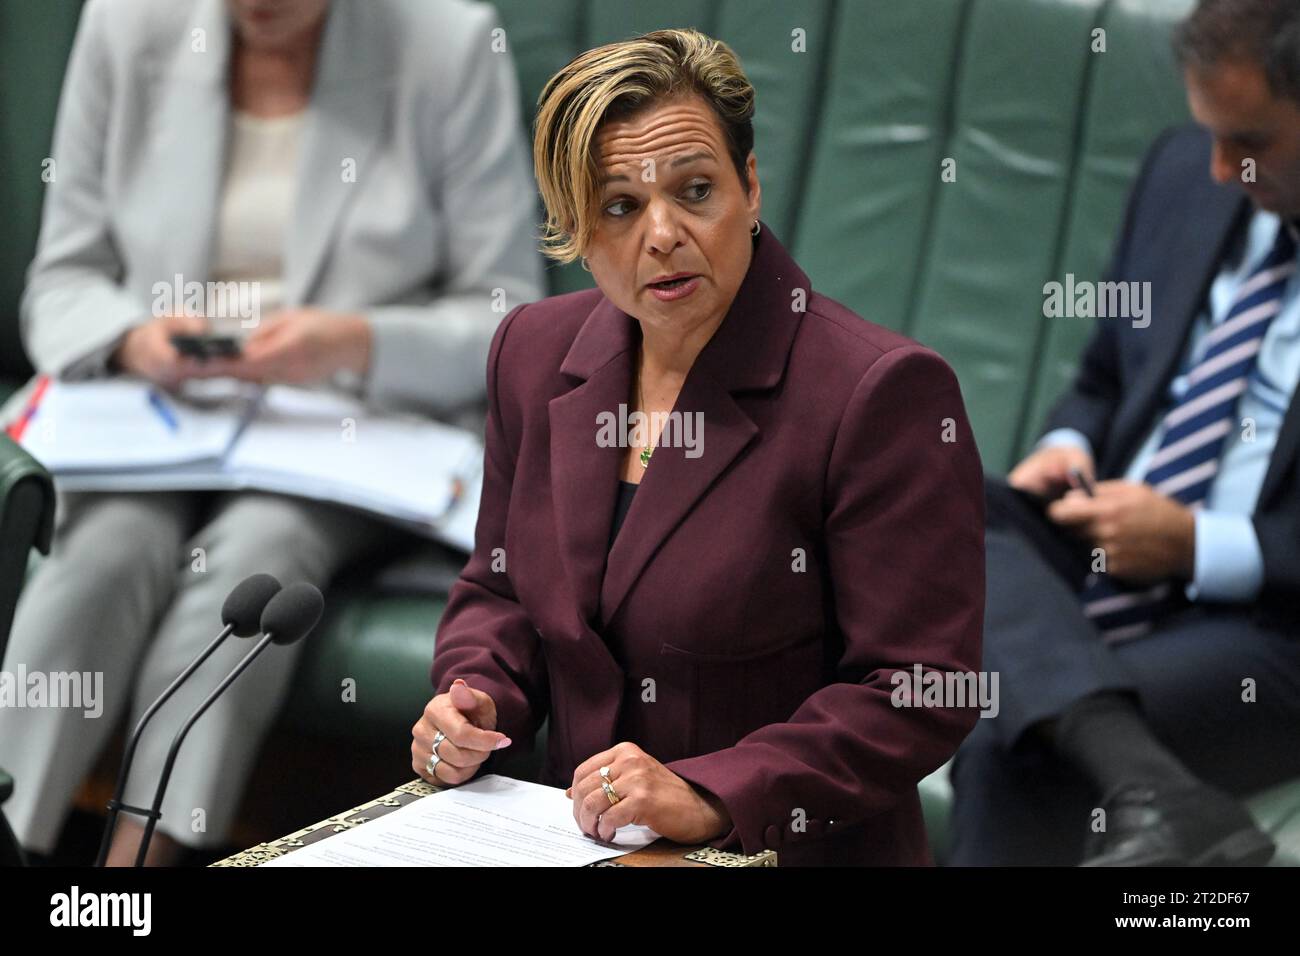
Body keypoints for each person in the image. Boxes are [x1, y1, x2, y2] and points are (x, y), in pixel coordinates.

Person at [411, 28, 986, 866]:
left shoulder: (881, 394)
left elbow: (919, 690)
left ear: (750, 189)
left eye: (695, 190)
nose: (663, 232)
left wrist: (714, 791)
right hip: (566, 844)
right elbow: (499, 589)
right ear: (574, 229)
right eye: (619, 206)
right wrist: (476, 698)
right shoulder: (532, 355)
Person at [0, 0, 543, 865]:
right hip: (156, 422)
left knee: (258, 560)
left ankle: (134, 874)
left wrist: (354, 341)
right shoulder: (125, 22)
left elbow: (509, 313)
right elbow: (61, 284)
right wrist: (133, 338)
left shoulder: (447, 41)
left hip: (338, 434)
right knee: (95, 560)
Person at [948, 0, 1300, 866]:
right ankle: (1167, 795)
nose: (1220, 167)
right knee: (933, 504)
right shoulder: (1186, 170)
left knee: (1013, 740)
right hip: (1101, 537)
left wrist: (1197, 544)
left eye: (1249, 141)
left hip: (1271, 623)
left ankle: (1139, 779)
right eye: (1209, 133)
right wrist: (1069, 443)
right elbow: (1106, 369)